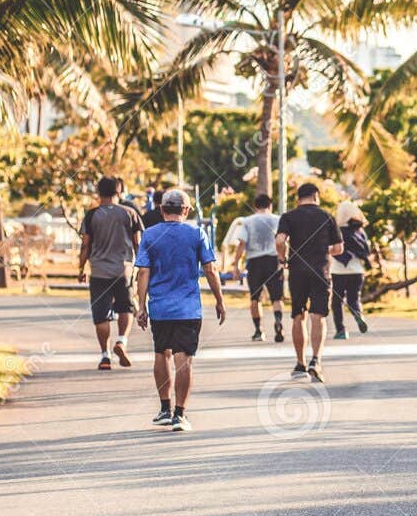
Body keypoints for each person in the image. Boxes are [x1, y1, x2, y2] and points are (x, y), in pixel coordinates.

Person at [135, 189, 226, 432]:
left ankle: (164, 409)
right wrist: (219, 300)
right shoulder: (197, 233)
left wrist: (141, 306)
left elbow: (143, 272)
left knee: (161, 354)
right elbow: (210, 269)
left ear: (163, 209)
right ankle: (180, 415)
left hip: (160, 308)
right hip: (188, 308)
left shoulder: (150, 234)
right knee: (183, 358)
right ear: (186, 211)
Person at [275, 182, 341, 382]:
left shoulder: (288, 217)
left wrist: (283, 258)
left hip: (297, 272)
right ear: (316, 196)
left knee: (298, 315)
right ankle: (316, 360)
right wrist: (322, 250)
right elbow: (338, 248)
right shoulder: (326, 216)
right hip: (321, 271)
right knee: (318, 316)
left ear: (298, 198)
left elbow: (279, 241)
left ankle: (300, 362)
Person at [79, 175, 143, 371]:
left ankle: (105, 356)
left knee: (101, 316)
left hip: (99, 271)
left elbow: (85, 245)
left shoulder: (92, 215)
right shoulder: (130, 213)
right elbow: (138, 243)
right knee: (126, 309)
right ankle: (122, 341)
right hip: (123, 271)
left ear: (99, 193)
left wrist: (81, 268)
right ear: (119, 192)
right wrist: (141, 268)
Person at [224, 194, 286, 343]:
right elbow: (283, 241)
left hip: (254, 262)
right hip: (273, 260)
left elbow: (242, 244)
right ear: (270, 206)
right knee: (276, 298)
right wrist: (283, 259)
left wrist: (236, 265)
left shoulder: (247, 221)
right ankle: (278, 324)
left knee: (255, 298)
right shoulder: (277, 220)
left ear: (255, 206)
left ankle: (259, 330)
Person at [329, 200, 370, 340]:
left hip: (338, 271)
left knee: (337, 301)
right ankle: (358, 314)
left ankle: (341, 330)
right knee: (354, 298)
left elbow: (332, 249)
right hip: (357, 270)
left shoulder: (336, 230)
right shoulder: (360, 231)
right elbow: (366, 251)